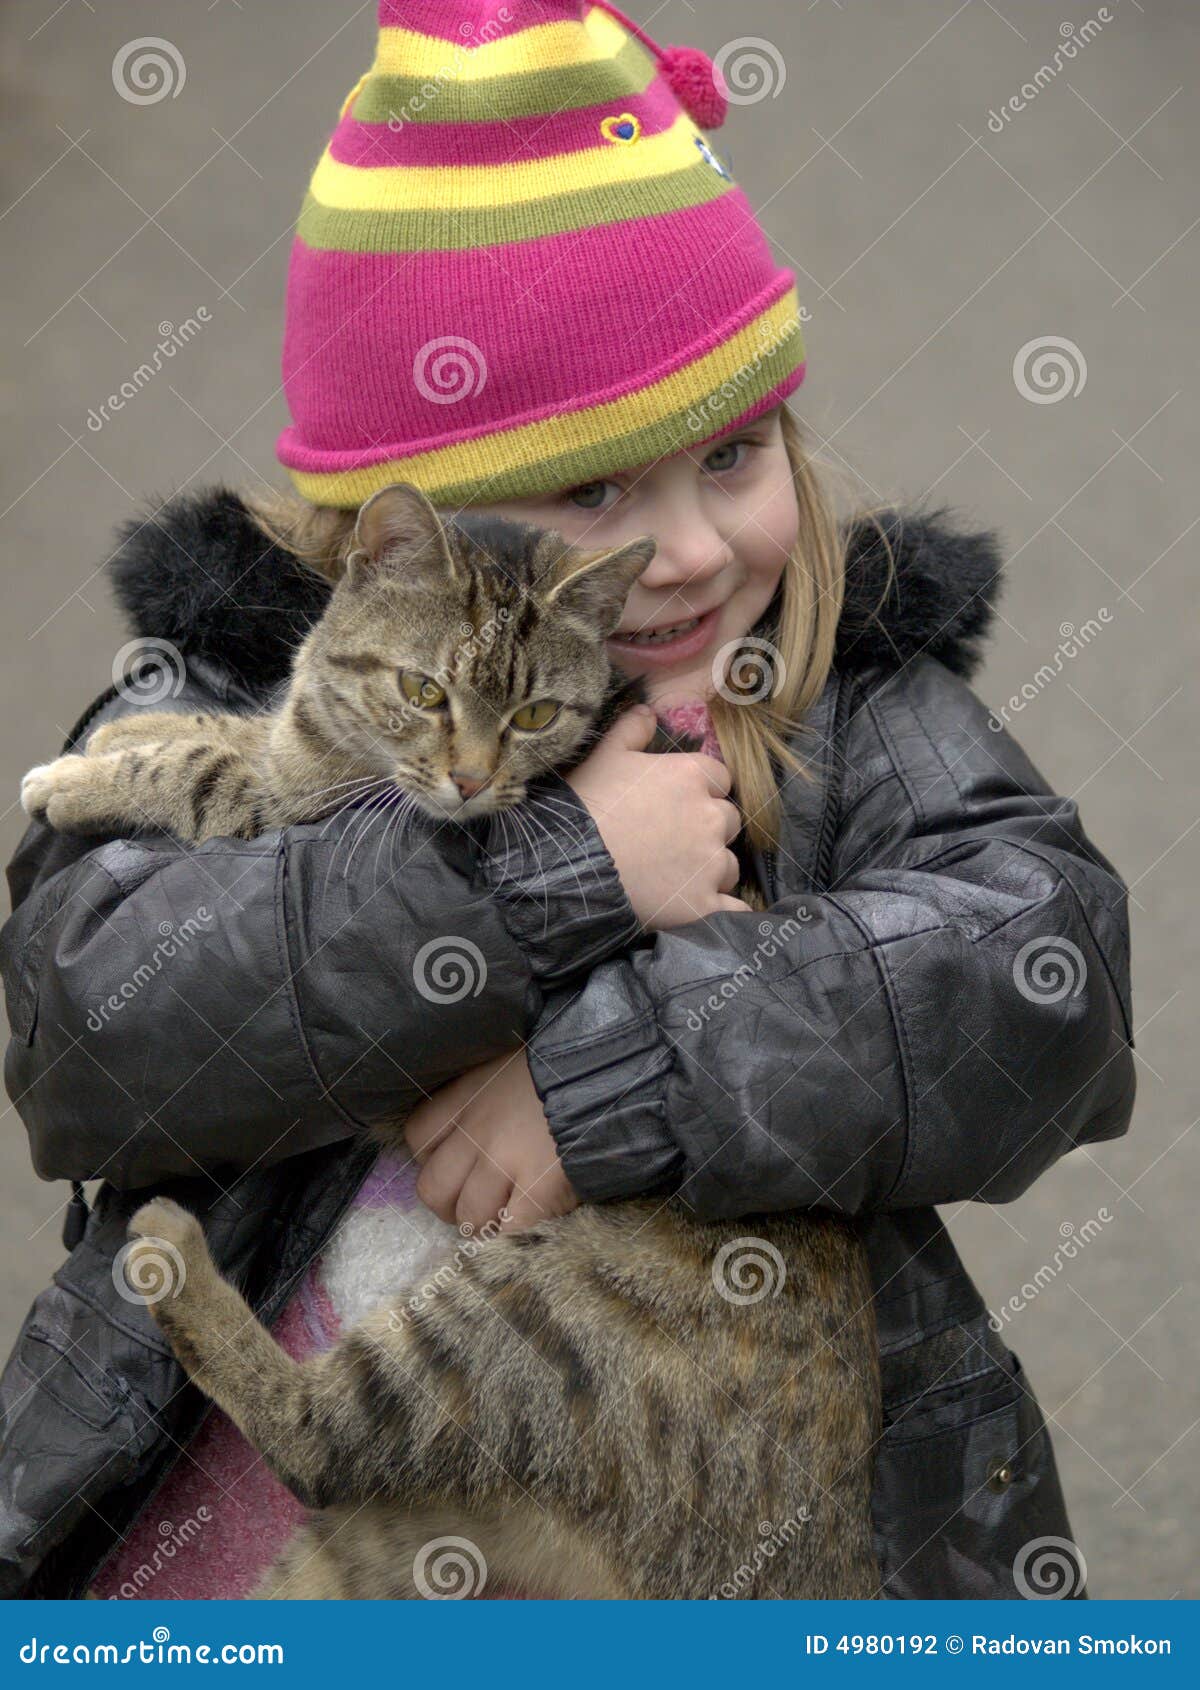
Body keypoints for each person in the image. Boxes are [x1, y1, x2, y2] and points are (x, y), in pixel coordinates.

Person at [0, 0, 1133, 1600]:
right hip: (241, 1520)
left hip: (670, 1526)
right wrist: (555, 876)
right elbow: (88, 1029)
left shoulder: (850, 695)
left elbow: (1048, 974)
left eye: (734, 454)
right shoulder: (238, 675)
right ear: (410, 526)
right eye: (594, 488)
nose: (689, 551)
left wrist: (620, 1074)